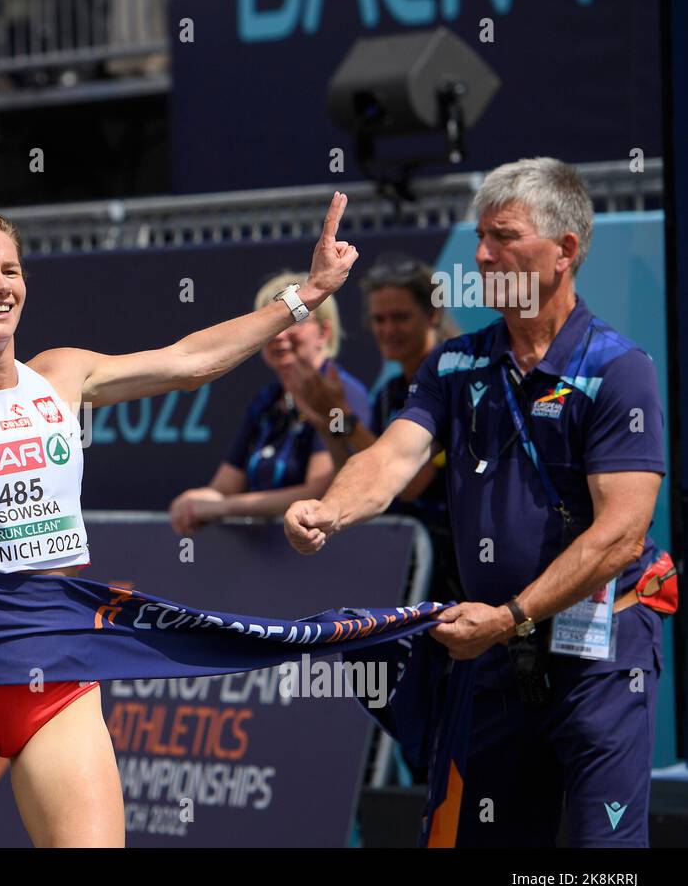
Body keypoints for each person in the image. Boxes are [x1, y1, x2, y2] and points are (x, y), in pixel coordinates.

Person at [0, 144, 360, 847]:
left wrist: (306, 296)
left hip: (60, 665)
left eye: (11, 270)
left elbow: (185, 363)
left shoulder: (61, 376)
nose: (0, 285)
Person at [284, 157, 673, 847]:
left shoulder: (618, 369)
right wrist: (330, 511)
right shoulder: (453, 364)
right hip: (491, 658)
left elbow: (621, 534)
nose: (482, 255)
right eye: (480, 238)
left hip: (599, 664)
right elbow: (392, 459)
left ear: (564, 251)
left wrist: (513, 615)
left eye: (503, 237)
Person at [291, 253, 465, 603]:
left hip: (453, 572)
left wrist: (346, 418)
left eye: (400, 317)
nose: (387, 330)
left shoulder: (455, 380)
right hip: (400, 566)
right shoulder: (390, 392)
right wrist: (328, 422)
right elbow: (354, 468)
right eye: (378, 319)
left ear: (433, 315)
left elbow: (411, 483)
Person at [168, 271, 372, 536]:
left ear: (324, 331)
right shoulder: (266, 401)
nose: (278, 335)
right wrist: (194, 501)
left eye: (295, 319)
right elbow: (223, 488)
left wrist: (221, 508)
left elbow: (321, 490)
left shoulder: (343, 394)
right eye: (273, 323)